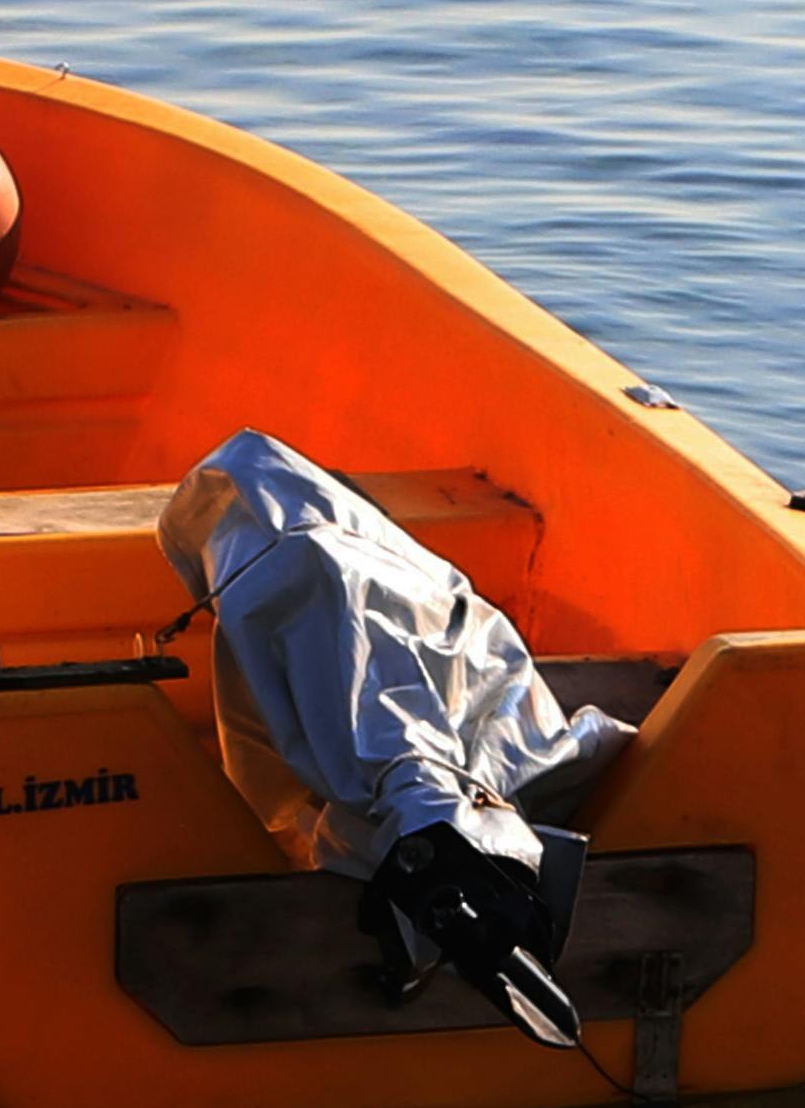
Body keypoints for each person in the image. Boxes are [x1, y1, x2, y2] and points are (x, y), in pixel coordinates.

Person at [157, 432, 610, 1042]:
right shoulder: (333, 569)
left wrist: (438, 839)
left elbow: (390, 715)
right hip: (501, 741)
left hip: (468, 797)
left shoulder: (300, 576)